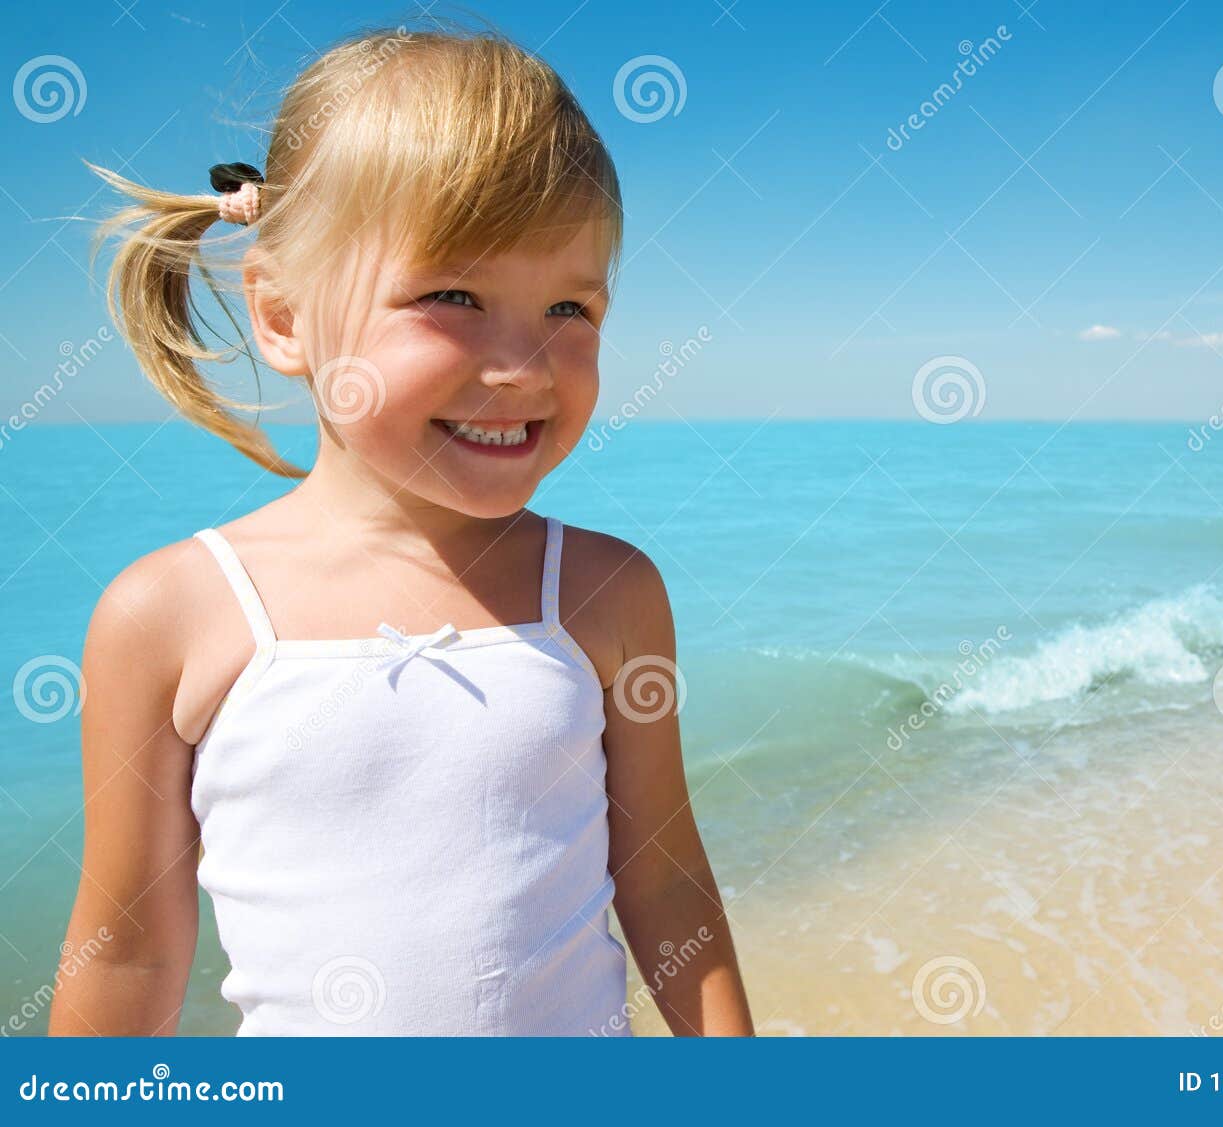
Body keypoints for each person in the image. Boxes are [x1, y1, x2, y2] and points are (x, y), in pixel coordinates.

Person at [47, 26, 754, 1037]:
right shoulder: (170, 614)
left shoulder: (604, 590)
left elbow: (668, 888)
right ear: (284, 316)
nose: (523, 365)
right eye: (452, 296)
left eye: (569, 305)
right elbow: (128, 949)